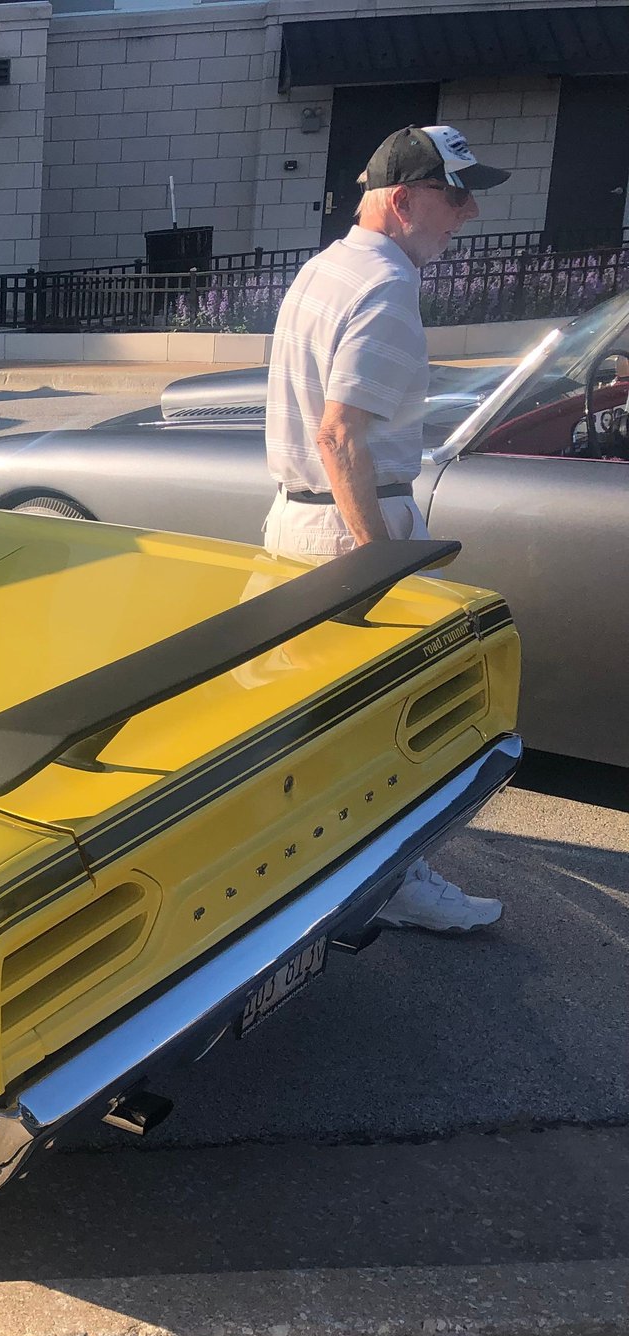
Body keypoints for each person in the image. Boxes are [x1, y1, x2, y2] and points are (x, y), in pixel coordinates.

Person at [263, 124, 509, 933]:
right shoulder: (386, 285)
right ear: (403, 200)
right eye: (454, 195)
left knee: (313, 733)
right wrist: (380, 564)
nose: (467, 215)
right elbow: (340, 435)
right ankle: (396, 884)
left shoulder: (325, 269)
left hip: (296, 522)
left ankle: (309, 884)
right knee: (388, 731)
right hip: (353, 525)